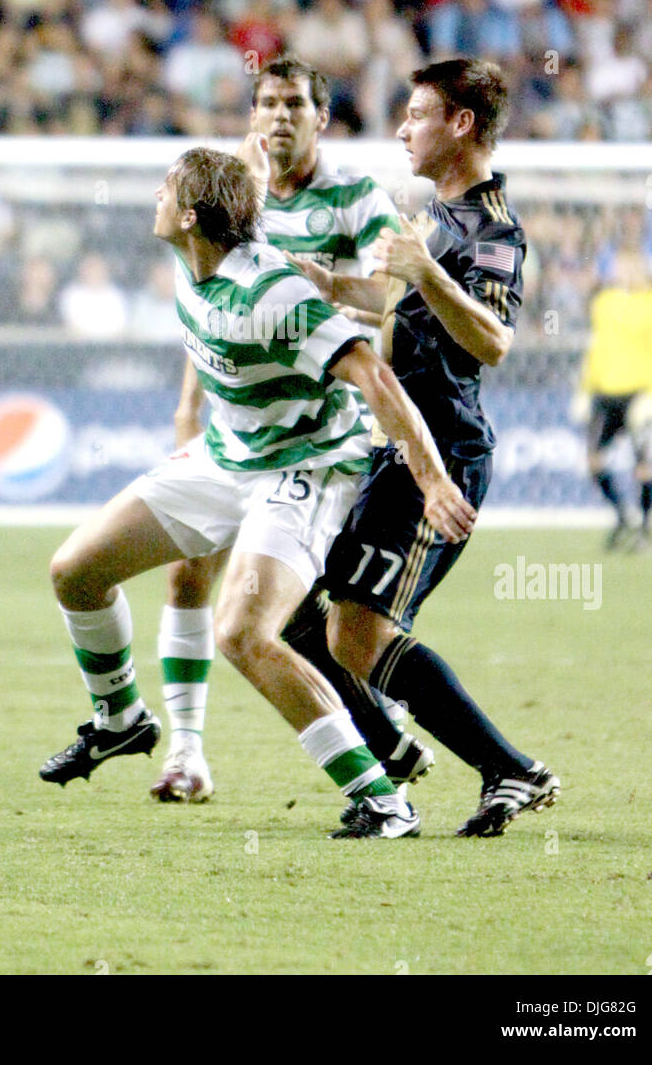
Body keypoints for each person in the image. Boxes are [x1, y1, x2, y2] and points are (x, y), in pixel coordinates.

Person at [39, 138, 476, 840]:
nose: (156, 195)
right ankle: (121, 719)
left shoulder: (271, 293)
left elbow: (374, 377)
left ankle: (383, 802)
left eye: (166, 187)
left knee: (242, 632)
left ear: (190, 215)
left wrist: (431, 479)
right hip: (227, 455)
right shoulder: (191, 259)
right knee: (75, 571)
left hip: (305, 466)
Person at [290, 59, 560, 838]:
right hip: (394, 449)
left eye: (416, 115)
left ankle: (503, 769)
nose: (402, 129)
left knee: (356, 630)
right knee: (298, 601)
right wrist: (332, 284)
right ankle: (394, 752)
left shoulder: (492, 227)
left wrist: (428, 272)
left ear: (461, 124)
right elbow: (400, 298)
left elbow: (494, 339)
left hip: (441, 452)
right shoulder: (438, 216)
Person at [152, 54, 425, 805]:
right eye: (268, 102)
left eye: (295, 104)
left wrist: (329, 286)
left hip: (325, 425)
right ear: (252, 114)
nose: (280, 116)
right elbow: (208, 307)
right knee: (192, 570)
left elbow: (396, 294)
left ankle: (381, 731)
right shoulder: (232, 193)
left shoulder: (355, 197)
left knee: (299, 608)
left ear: (321, 117)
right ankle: (186, 751)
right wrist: (188, 411)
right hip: (240, 424)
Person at [575, 250, 652, 550]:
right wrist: (585, 388)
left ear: (643, 270)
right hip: (606, 394)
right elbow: (596, 348)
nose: (623, 273)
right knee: (594, 461)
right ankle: (623, 515)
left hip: (641, 394)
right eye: (619, 267)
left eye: (630, 267)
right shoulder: (605, 303)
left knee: (643, 466)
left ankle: (645, 531)